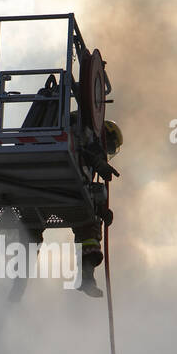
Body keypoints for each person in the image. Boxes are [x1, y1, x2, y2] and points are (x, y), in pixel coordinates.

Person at [73, 120, 122, 297]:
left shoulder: (79, 129)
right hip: (68, 183)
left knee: (30, 234)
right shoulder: (88, 133)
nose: (106, 152)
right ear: (105, 135)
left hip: (56, 185)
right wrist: (99, 163)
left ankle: (16, 287)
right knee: (90, 229)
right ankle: (86, 279)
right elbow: (82, 151)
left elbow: (89, 187)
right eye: (109, 146)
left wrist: (102, 210)